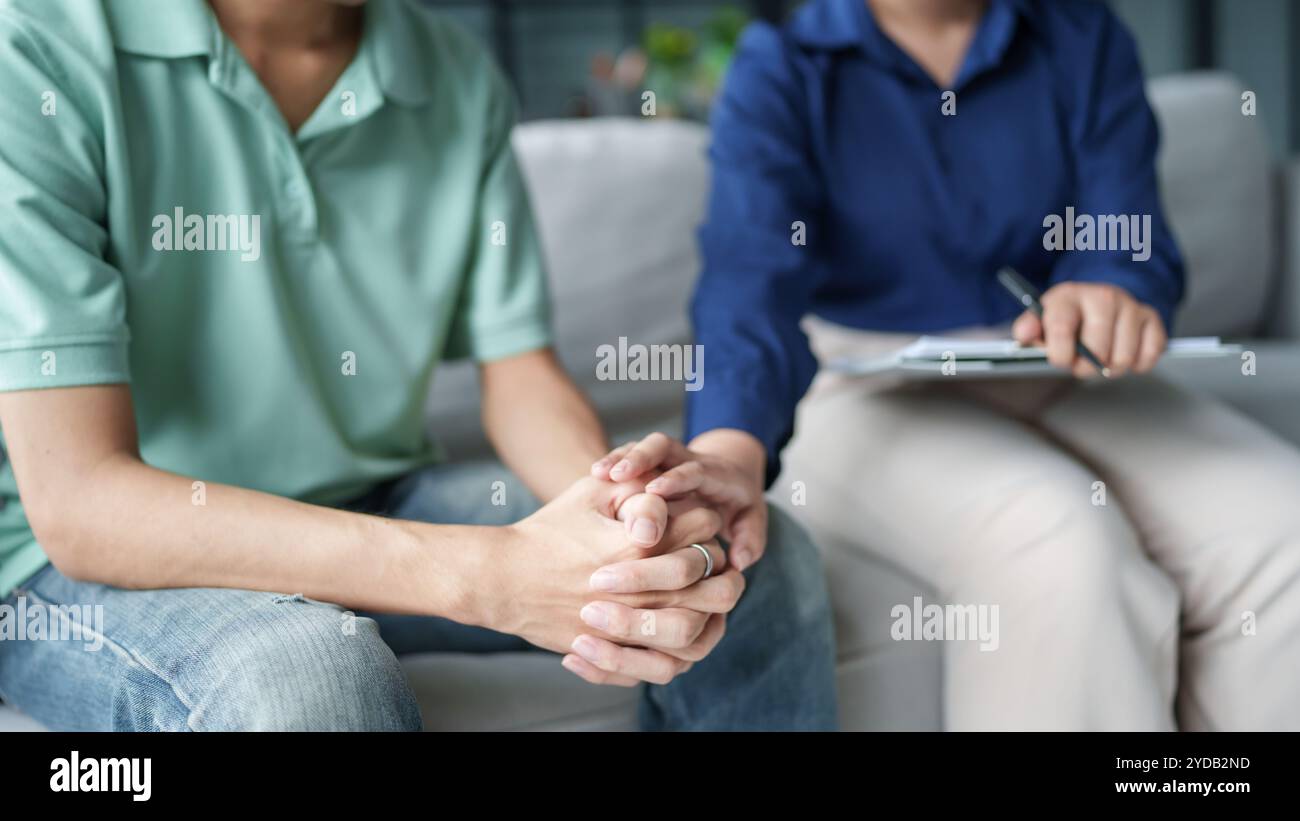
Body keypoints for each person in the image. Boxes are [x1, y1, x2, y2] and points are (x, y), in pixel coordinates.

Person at [0, 0, 837, 731]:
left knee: (732, 553)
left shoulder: (451, 72)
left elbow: (520, 376)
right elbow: (80, 506)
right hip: (70, 569)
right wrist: (484, 575)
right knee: (308, 675)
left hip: (367, 494)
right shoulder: (36, 45)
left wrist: (623, 513)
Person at [598, 0, 1300, 730]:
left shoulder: (1080, 36)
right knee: (1058, 543)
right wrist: (730, 450)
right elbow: (750, 279)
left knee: (1283, 522)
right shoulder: (783, 66)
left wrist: (1112, 286)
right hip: (862, 382)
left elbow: (1123, 225)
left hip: (1054, 359)